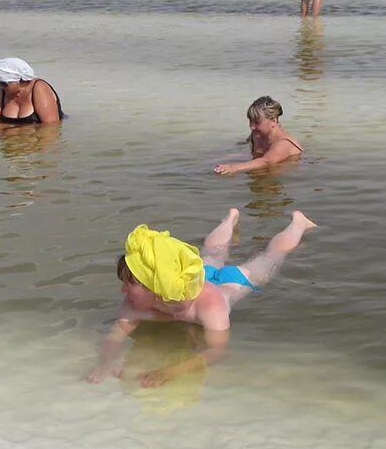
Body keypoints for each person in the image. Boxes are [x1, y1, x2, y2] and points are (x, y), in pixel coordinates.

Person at [86, 209, 317, 387]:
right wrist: (107, 363)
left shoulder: (209, 304)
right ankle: (230, 219)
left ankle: (298, 223)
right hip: (195, 278)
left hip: (231, 284)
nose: (123, 291)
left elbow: (216, 350)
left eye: (130, 284)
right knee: (212, 250)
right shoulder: (139, 301)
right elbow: (113, 339)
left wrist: (170, 372)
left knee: (271, 256)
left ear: (155, 287)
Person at [214, 96, 303, 174]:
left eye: (257, 122)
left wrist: (233, 167)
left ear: (273, 121)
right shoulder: (257, 134)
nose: (252, 127)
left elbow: (267, 161)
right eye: (250, 121)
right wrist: (217, 159)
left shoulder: (284, 143)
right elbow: (246, 145)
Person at [0, 57, 64, 124]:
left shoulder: (39, 88)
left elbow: (51, 126)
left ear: (20, 80)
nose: (1, 86)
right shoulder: (3, 91)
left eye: (4, 83)